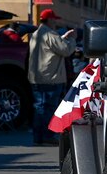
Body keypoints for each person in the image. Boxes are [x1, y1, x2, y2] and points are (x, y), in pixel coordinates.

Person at [28, 8, 76, 146]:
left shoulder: (37, 34)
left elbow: (51, 47)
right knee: (47, 108)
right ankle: (47, 136)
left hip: (37, 78)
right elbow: (66, 50)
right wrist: (71, 39)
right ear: (49, 20)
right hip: (50, 78)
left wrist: (63, 38)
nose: (55, 22)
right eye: (54, 19)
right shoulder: (50, 34)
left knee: (39, 107)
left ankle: (38, 137)